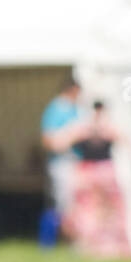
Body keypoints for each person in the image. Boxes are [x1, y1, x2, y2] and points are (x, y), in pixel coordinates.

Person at [67, 102, 131, 258]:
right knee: (87, 208)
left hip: (104, 170)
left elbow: (125, 141)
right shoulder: (82, 128)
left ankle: (112, 243)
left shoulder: (109, 128)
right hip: (88, 171)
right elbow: (62, 142)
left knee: (111, 208)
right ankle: (89, 243)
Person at [40, 75, 84, 226]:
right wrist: (70, 138)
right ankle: (62, 237)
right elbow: (48, 141)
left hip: (77, 162)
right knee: (64, 203)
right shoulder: (57, 109)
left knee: (77, 201)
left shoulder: (76, 109)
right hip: (62, 162)